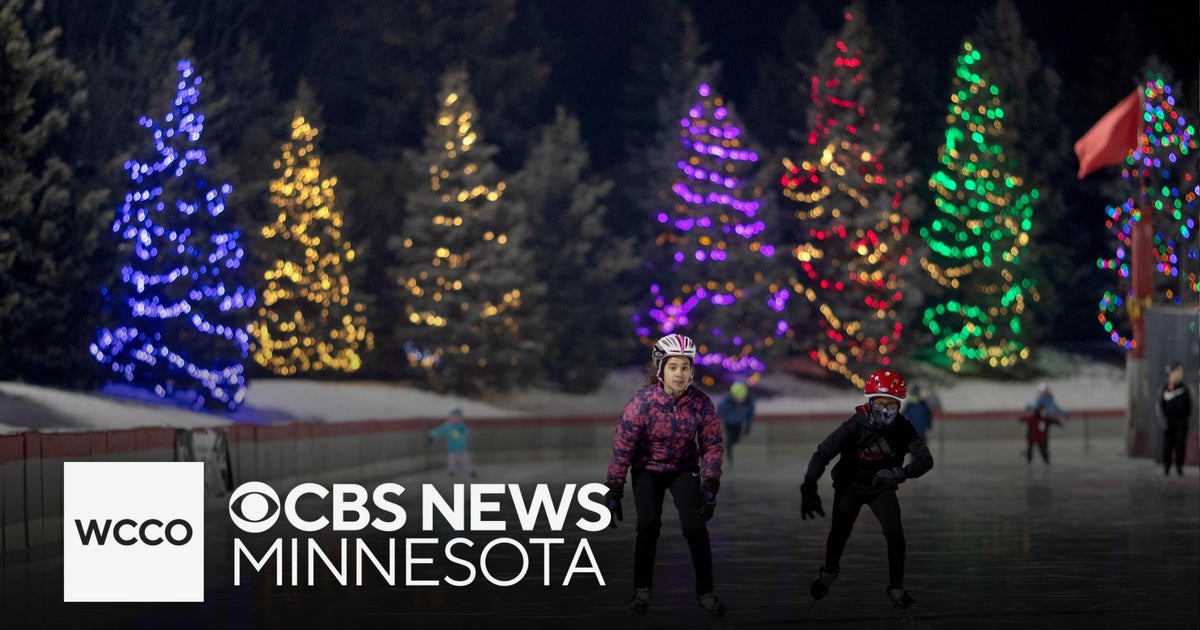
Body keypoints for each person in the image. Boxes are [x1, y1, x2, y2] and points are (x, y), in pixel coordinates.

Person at [603, 333, 727, 621]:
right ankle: (642, 590)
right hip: (647, 469)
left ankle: (705, 594)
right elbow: (623, 446)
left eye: (685, 368)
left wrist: (710, 483)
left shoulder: (700, 403)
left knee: (695, 528)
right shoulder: (641, 404)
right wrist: (614, 487)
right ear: (660, 369)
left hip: (683, 469)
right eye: (673, 367)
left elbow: (711, 444)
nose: (679, 374)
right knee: (647, 525)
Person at [799, 369, 933, 612]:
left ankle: (896, 587)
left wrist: (898, 473)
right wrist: (808, 486)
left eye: (891, 405)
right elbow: (822, 453)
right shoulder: (853, 427)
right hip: (849, 487)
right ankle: (829, 572)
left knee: (894, 532)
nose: (884, 411)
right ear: (869, 402)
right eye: (880, 403)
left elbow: (925, 460)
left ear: (899, 405)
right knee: (840, 532)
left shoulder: (903, 428)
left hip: (881, 488)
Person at [1158, 362, 1192, 477]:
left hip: (1181, 422)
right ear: (1172, 372)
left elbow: (1189, 405)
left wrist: (1186, 420)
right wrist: (1163, 422)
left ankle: (1179, 466)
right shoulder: (1165, 387)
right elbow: (1159, 405)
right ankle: (1166, 466)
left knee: (1180, 445)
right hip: (1169, 422)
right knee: (1168, 445)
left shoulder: (1184, 387)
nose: (1180, 374)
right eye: (1178, 371)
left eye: (1181, 372)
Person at [427, 408, 475, 478]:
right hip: (452, 448)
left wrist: (458, 435)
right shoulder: (448, 426)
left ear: (460, 418)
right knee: (451, 460)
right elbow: (439, 431)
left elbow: (465, 434)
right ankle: (451, 471)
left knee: (466, 460)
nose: (454, 418)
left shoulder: (462, 426)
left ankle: (470, 471)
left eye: (456, 417)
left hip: (462, 448)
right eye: (452, 416)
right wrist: (432, 436)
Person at [717, 381, 755, 465]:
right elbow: (720, 411)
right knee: (729, 439)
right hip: (729, 423)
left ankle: (728, 450)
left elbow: (750, 414)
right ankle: (729, 456)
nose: (740, 400)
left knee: (736, 439)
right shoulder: (727, 401)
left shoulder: (748, 402)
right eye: (738, 398)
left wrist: (748, 426)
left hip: (738, 423)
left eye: (741, 398)